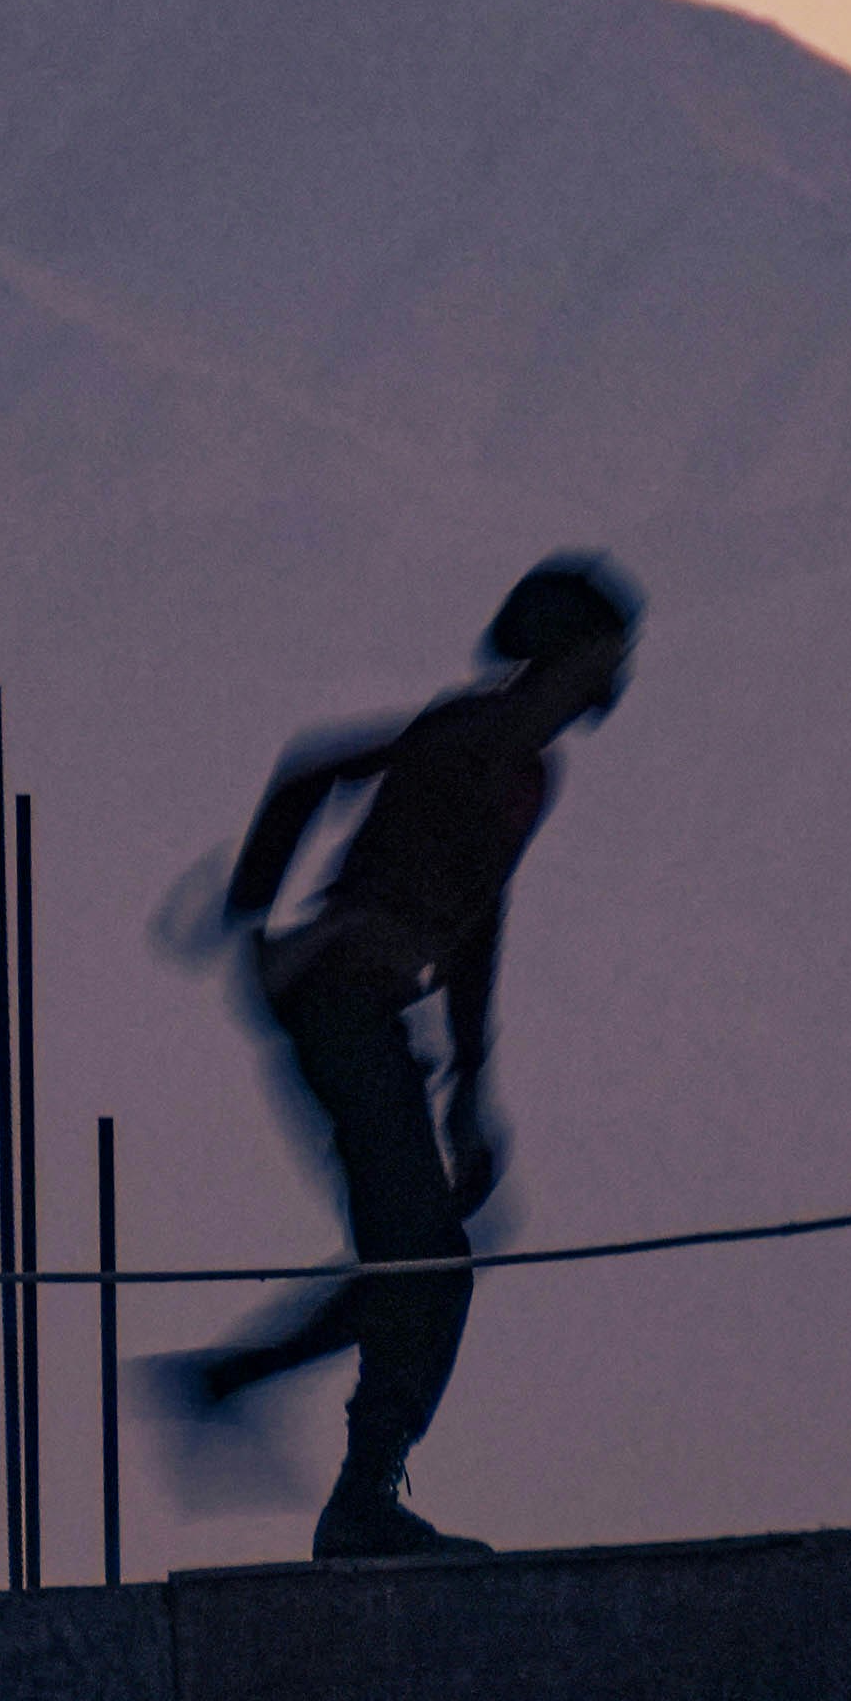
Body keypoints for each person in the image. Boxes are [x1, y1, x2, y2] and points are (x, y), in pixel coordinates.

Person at [151, 556, 641, 1561]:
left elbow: (476, 919)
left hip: (372, 1012)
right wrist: (246, 900)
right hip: (335, 998)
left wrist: (472, 1083)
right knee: (423, 1254)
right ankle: (347, 1490)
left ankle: (259, 1408)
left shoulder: (523, 775)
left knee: (432, 1263)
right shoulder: (461, 736)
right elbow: (308, 772)